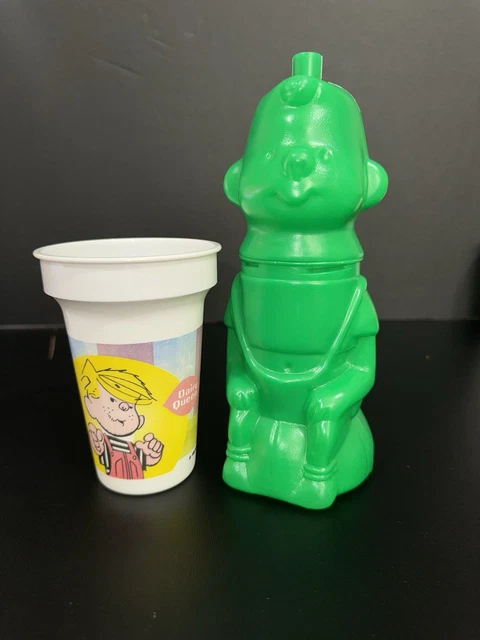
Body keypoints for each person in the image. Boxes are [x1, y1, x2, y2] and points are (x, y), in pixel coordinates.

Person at [82, 359, 164, 479]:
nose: (123, 407)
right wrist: (98, 446)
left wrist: (152, 454)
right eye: (112, 400)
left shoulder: (135, 449)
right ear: (91, 405)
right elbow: (101, 454)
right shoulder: (103, 443)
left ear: (140, 421)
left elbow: (146, 460)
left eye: (130, 407)